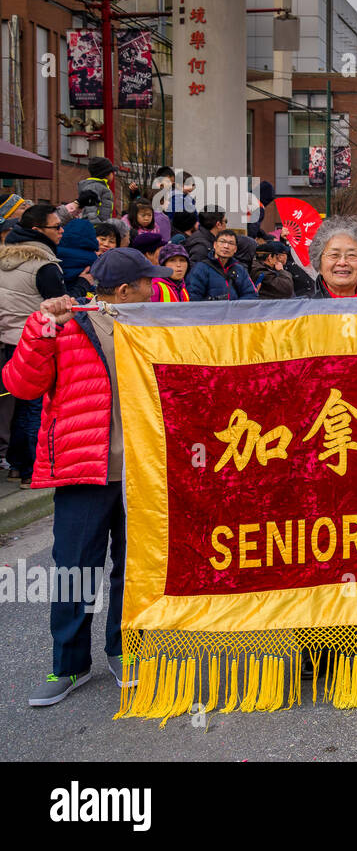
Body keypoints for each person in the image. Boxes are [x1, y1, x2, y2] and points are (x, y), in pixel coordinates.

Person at [5, 248, 172, 706]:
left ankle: (124, 651)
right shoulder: (65, 326)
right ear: (124, 290)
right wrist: (41, 329)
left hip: (143, 472)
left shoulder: (153, 327)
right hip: (83, 470)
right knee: (76, 568)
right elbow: (21, 386)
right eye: (146, 283)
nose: (155, 289)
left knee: (134, 571)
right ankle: (68, 665)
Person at [0, 203, 68, 487]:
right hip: (34, 343)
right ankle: (29, 469)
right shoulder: (45, 266)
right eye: (56, 227)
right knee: (33, 406)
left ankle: (16, 464)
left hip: (6, 340)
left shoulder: (4, 258)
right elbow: (60, 307)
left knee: (15, 406)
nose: (62, 231)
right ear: (37, 231)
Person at [308, 217, 357, 298]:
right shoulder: (301, 308)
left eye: (351, 255)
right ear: (319, 265)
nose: (342, 262)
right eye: (334, 255)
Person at [186, 229, 258, 301]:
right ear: (214, 245)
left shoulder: (239, 269)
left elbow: (251, 294)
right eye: (222, 242)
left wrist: (235, 307)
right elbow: (194, 297)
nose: (226, 246)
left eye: (231, 243)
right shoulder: (201, 268)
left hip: (235, 311)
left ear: (235, 249)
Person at [76, 156, 116, 223]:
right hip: (97, 229)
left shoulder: (99, 187)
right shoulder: (94, 187)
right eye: (112, 172)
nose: (113, 175)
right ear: (106, 174)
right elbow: (90, 212)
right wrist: (98, 227)